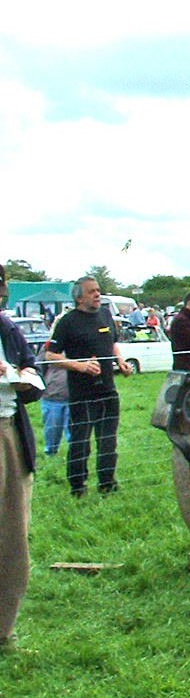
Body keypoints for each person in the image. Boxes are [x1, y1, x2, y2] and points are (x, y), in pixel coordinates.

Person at [45, 276, 133, 497]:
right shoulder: (67, 321)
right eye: (92, 291)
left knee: (108, 441)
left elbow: (112, 343)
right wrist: (81, 366)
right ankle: (78, 487)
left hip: (108, 389)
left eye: (98, 290)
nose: (97, 294)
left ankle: (107, 483)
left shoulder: (105, 314)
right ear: (79, 297)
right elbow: (50, 355)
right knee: (81, 441)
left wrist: (120, 360)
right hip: (82, 393)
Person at [1, 265, 44, 651]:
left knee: (14, 533)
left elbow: (32, 365)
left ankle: (4, 629)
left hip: (9, 430)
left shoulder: (7, 327)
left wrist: (21, 372)